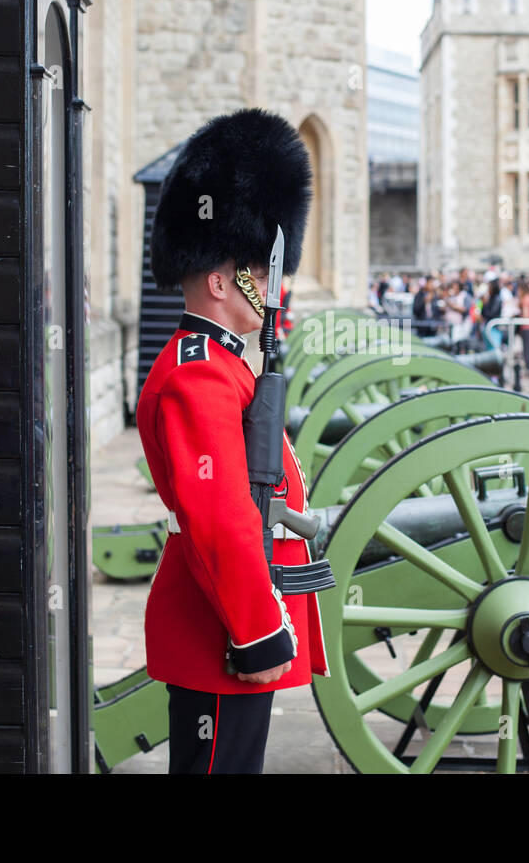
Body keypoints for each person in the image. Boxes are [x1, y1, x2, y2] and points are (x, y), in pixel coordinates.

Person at [136, 108, 326, 773]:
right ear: (223, 280)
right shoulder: (197, 376)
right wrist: (258, 630)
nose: (271, 286)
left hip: (230, 618)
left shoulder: (217, 364)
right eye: (258, 269)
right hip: (223, 629)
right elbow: (219, 520)